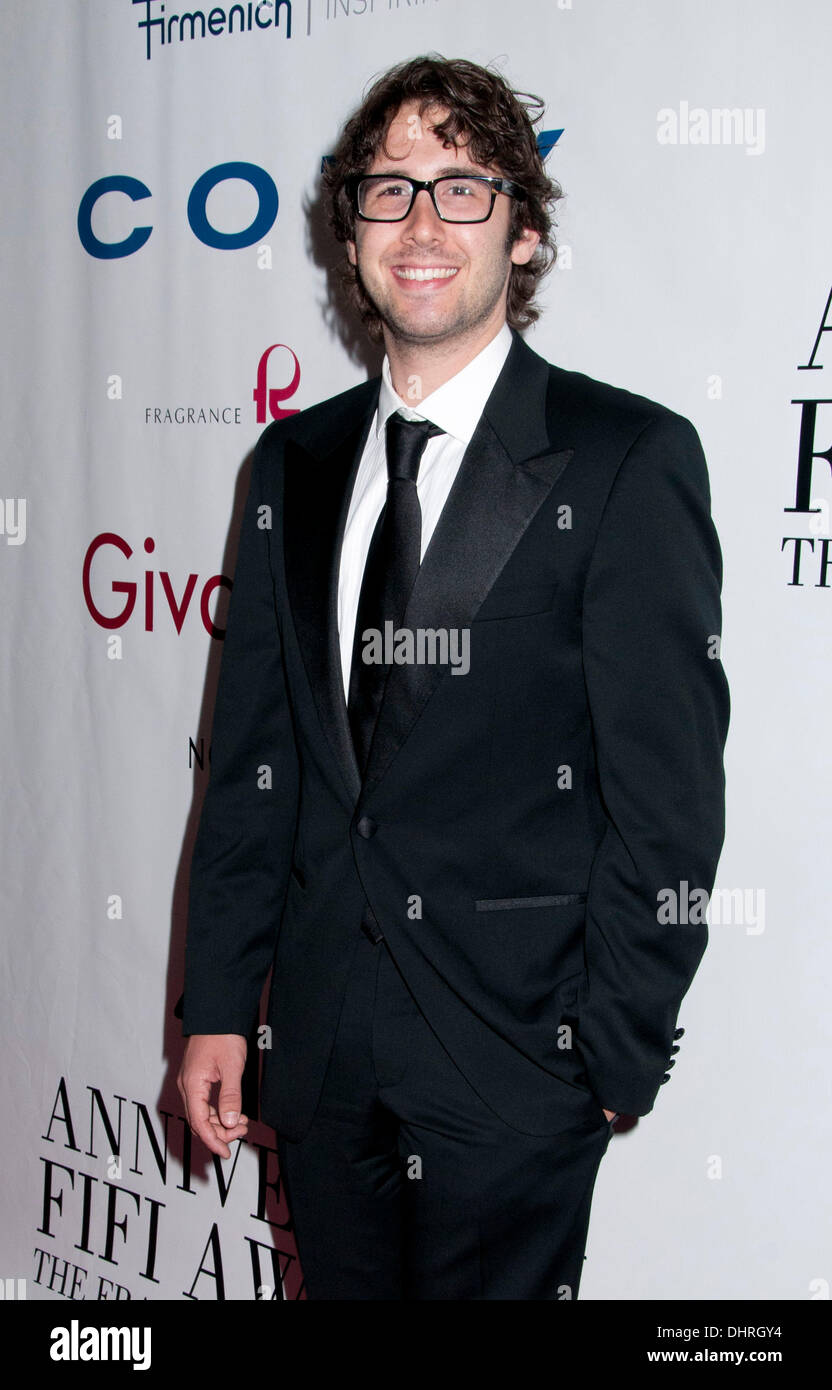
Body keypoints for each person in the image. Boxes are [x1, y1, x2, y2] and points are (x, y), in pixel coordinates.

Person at [177, 54, 730, 1300]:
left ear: (524, 234)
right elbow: (255, 765)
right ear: (351, 230)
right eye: (390, 189)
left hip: (516, 1062)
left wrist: (608, 1048)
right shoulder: (290, 465)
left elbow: (671, 799)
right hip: (319, 1051)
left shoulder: (622, 457)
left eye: (462, 188)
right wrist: (218, 1006)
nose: (421, 223)